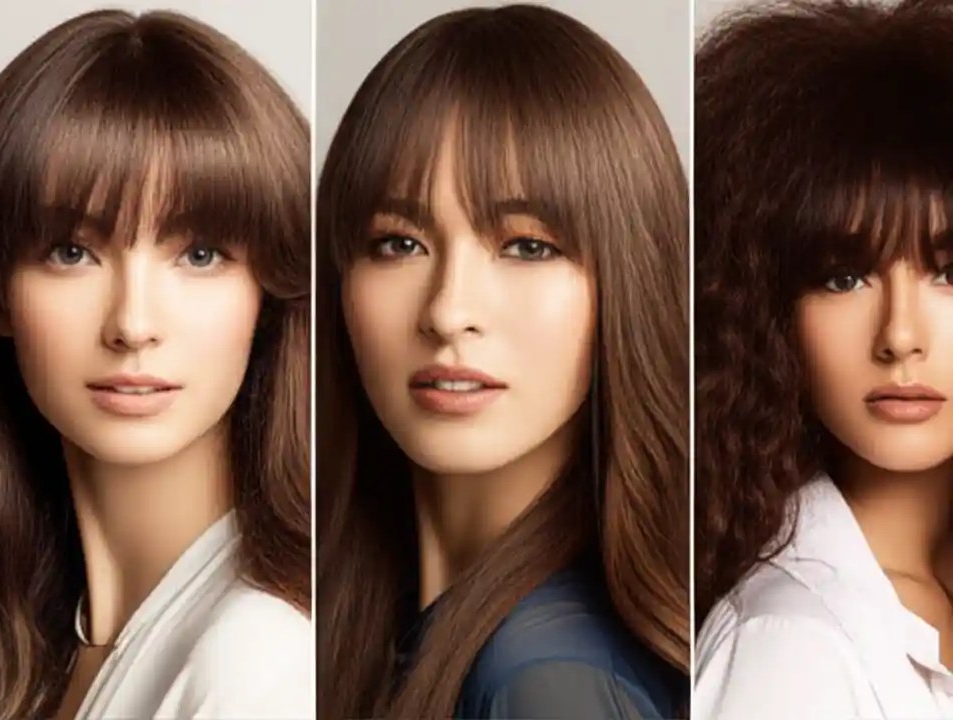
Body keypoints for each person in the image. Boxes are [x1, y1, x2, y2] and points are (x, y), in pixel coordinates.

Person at [315, 4, 689, 718]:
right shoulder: (375, 620)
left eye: (526, 246)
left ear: (627, 282)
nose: (449, 310)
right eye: (399, 243)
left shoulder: (549, 682)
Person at [0, 9, 312, 719]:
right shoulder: (14, 639)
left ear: (268, 291)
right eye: (71, 251)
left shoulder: (259, 662)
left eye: (200, 254)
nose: (134, 324)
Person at [694, 1, 953, 716]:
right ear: (767, 314)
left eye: (947, 272)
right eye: (844, 277)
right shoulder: (791, 643)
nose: (900, 335)